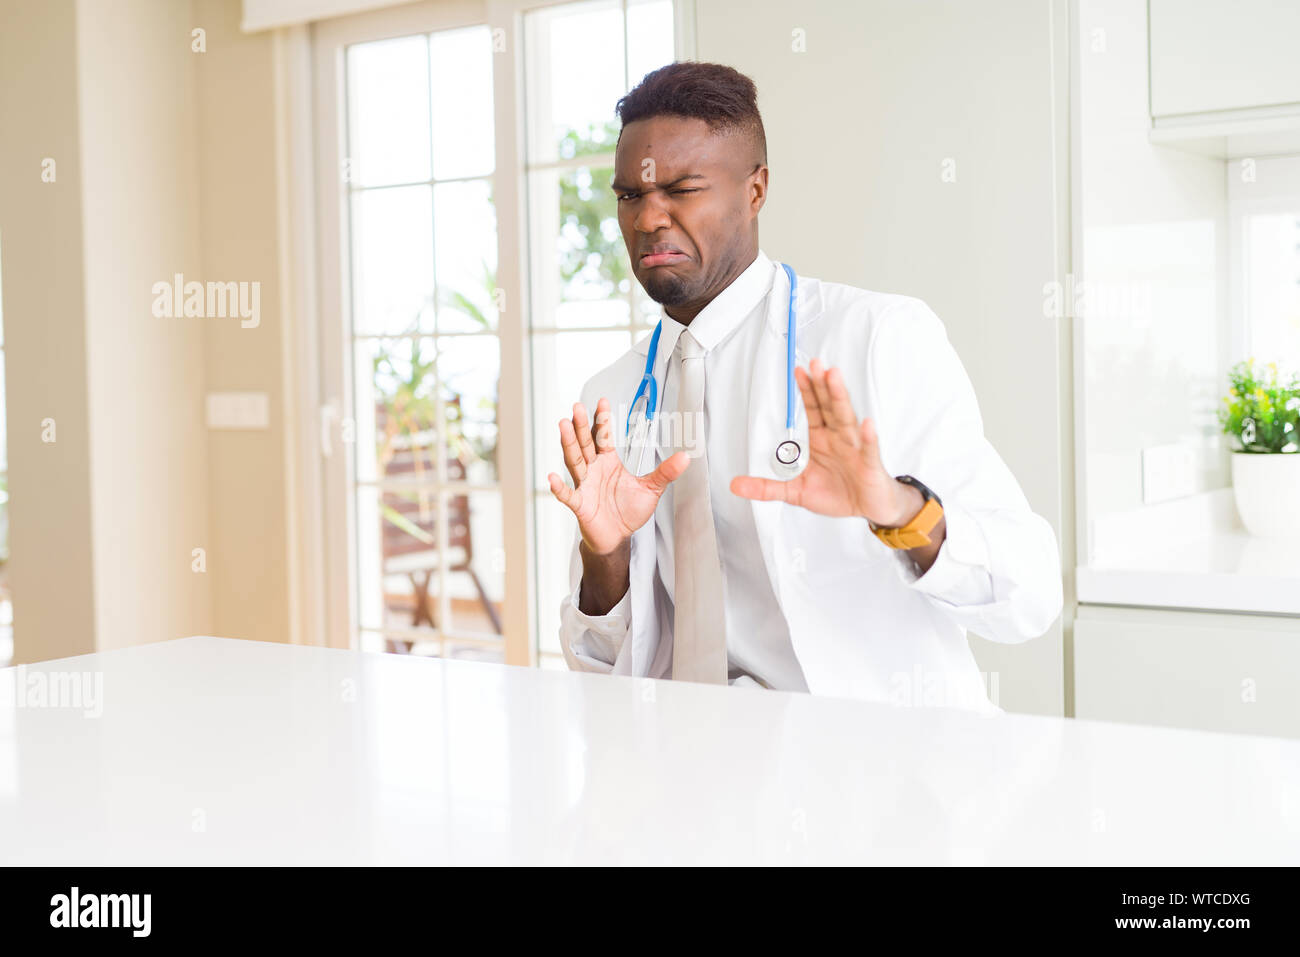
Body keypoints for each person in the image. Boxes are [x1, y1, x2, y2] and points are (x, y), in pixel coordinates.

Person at [546, 61, 1062, 712]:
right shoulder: (612, 394)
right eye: (630, 196)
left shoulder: (876, 339)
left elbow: (1032, 596)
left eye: (683, 189)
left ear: (755, 189)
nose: (649, 218)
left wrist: (898, 511)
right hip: (688, 768)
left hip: (875, 773)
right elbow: (595, 664)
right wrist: (607, 554)